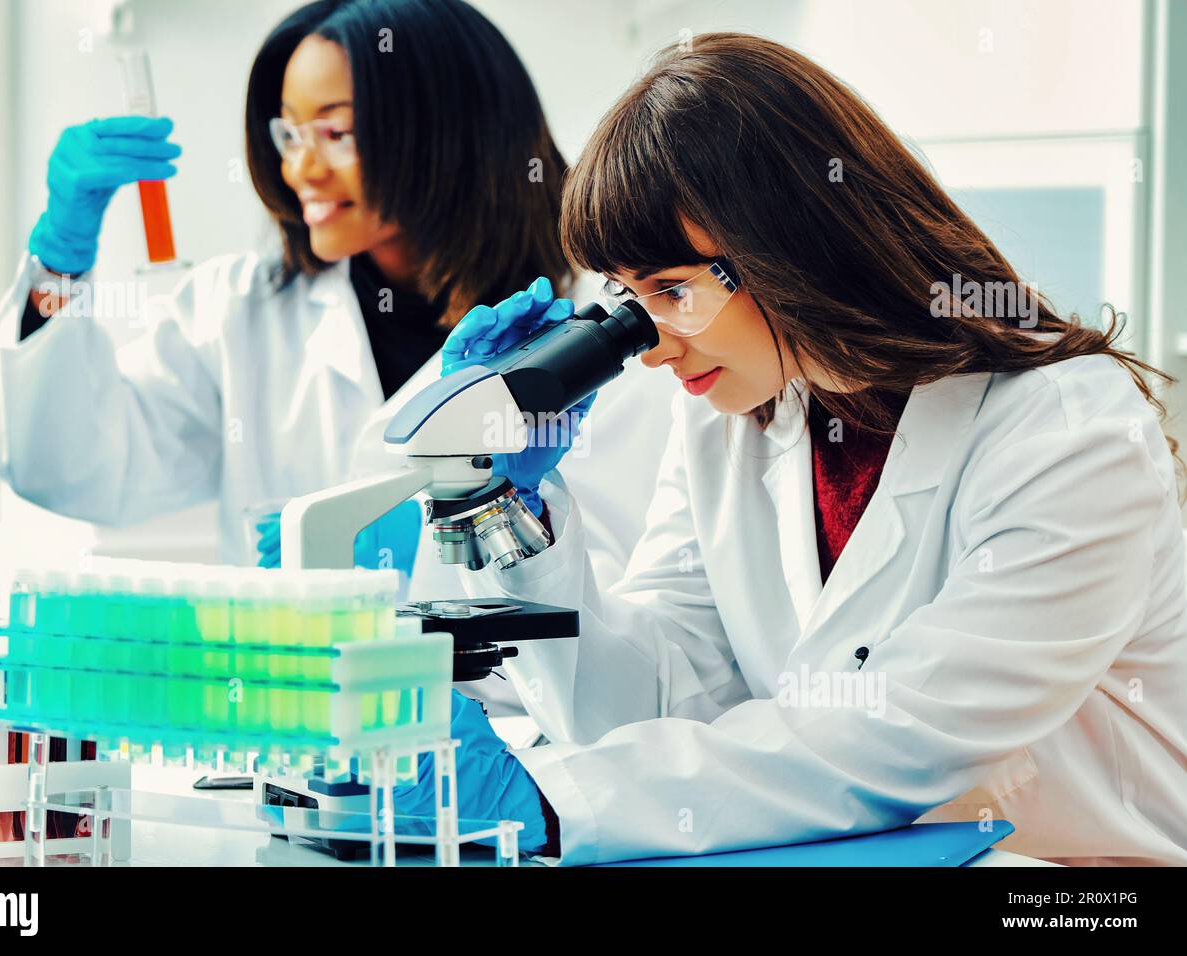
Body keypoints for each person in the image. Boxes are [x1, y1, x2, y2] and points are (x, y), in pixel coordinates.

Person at [406, 33, 1187, 865]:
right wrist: (501, 504)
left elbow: (901, 731)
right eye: (628, 299)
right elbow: (658, 703)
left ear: (796, 247)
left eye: (673, 292)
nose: (654, 348)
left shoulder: (1066, 434)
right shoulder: (732, 415)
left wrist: (553, 800)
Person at [0, 0, 673, 609]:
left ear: (447, 133)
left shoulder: (606, 327)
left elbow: (627, 591)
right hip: (294, 723)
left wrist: (445, 546)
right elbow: (75, 471)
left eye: (336, 134)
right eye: (289, 134)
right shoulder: (245, 313)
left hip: (519, 739)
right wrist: (60, 262)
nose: (300, 169)